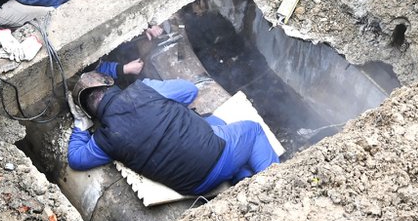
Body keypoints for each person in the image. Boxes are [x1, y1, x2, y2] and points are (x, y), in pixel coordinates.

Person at [66, 58, 279, 196]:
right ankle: (277, 186)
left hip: (194, 186)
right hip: (216, 156)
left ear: (91, 113)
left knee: (215, 123)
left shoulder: (105, 139)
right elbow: (189, 91)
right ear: (109, 84)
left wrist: (80, 126)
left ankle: (243, 178)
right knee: (252, 130)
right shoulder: (144, 90)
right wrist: (157, 94)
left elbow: (76, 158)